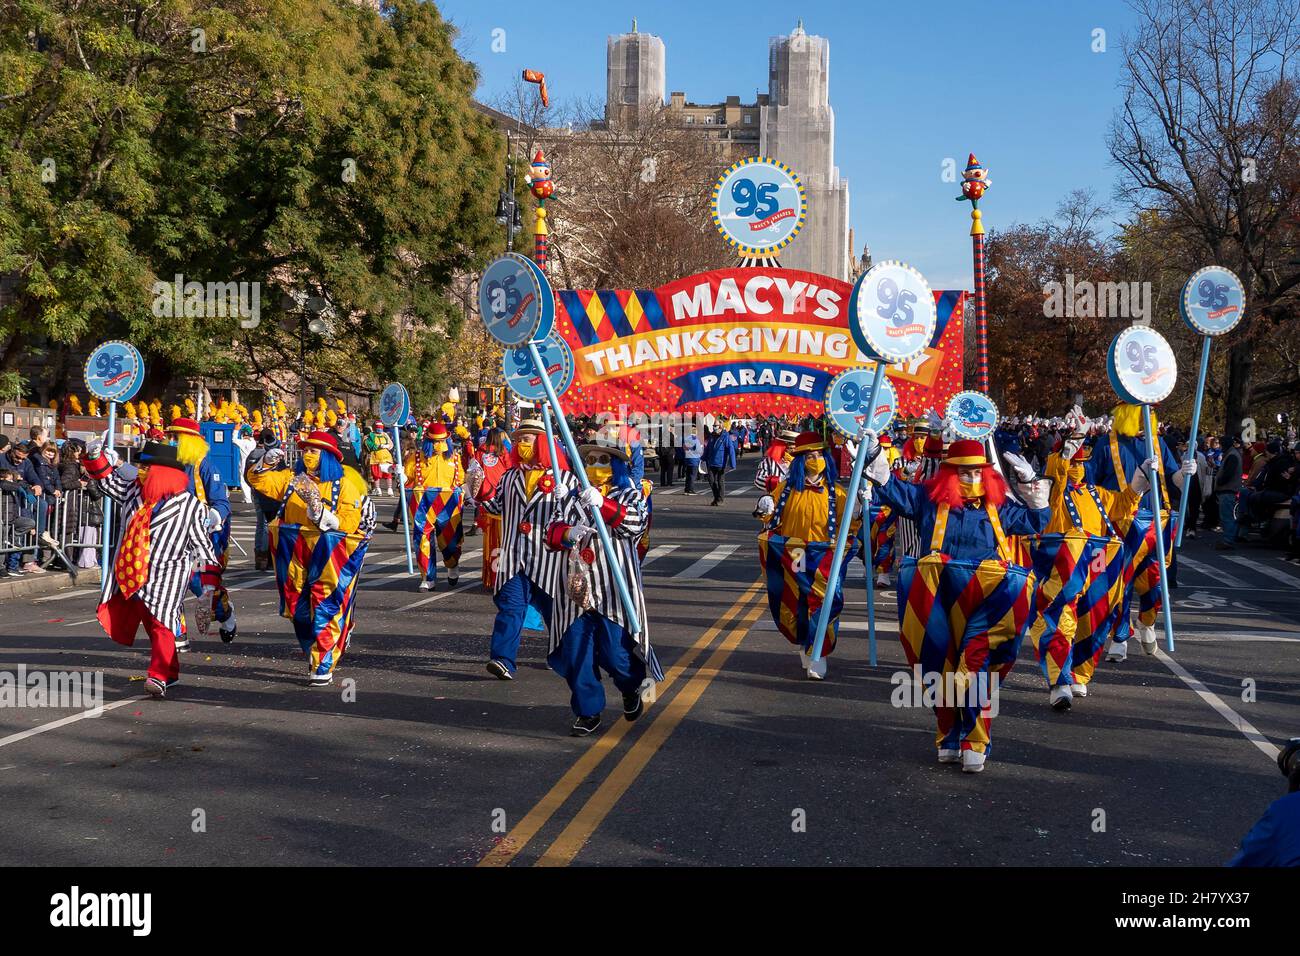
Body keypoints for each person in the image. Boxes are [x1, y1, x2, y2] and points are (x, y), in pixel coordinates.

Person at [866, 434, 1050, 772]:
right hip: (938, 595)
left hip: (988, 601)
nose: (971, 479)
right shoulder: (927, 499)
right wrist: (875, 454)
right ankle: (949, 735)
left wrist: (1030, 484)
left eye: (977, 473)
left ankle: (974, 740)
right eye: (963, 473)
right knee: (938, 667)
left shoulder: (1001, 508)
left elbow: (1038, 522)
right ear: (949, 473)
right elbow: (891, 489)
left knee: (977, 666)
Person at [543, 434, 661, 735]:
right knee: (576, 654)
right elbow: (550, 534)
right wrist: (567, 532)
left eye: (604, 460)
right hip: (575, 589)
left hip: (613, 589)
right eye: (591, 460)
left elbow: (635, 524)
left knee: (615, 654)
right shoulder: (571, 496)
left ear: (619, 465)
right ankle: (588, 710)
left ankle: (631, 686)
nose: (596, 466)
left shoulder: (631, 494)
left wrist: (604, 505)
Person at [83, 440, 219, 698]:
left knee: (162, 623)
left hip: (167, 573)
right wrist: (94, 455)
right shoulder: (133, 492)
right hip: (132, 572)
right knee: (149, 621)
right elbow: (107, 481)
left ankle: (157, 675)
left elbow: (203, 547)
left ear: (163, 472)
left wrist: (209, 584)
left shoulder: (189, 506)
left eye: (145, 467)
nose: (140, 471)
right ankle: (171, 672)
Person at [1026, 409, 1141, 711]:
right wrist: (1070, 444)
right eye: (1074, 462)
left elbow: (1123, 505)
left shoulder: (1096, 493)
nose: (1077, 467)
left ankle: (1079, 674)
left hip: (1097, 564)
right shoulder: (1052, 493)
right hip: (1062, 567)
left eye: (1081, 463)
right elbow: (1057, 473)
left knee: (1094, 621)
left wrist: (1143, 479)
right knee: (1058, 621)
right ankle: (1059, 681)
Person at [246, 430, 376, 685]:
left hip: (329, 555)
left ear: (327, 456)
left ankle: (322, 663)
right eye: (305, 450)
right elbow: (257, 481)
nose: (307, 455)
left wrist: (324, 517)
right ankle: (319, 647)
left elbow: (349, 522)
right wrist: (267, 462)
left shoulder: (345, 485)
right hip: (294, 554)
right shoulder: (292, 480)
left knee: (326, 607)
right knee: (297, 609)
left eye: (313, 451)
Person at [1088, 404, 1191, 660]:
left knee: (1155, 582)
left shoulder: (1156, 443)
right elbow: (1091, 485)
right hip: (1120, 522)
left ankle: (1148, 621)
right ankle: (1120, 636)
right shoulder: (1105, 444)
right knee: (1121, 582)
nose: (1150, 421)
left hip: (1156, 521)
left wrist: (1186, 474)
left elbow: (1173, 477)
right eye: (1144, 415)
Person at [755, 432, 860, 680]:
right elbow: (770, 519)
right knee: (797, 604)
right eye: (810, 455)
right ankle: (805, 642)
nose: (816, 460)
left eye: (819, 455)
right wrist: (764, 508)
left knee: (826, 604)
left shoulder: (838, 492)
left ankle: (818, 652)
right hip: (794, 554)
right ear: (800, 460)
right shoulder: (787, 489)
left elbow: (852, 530)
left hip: (825, 556)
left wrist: (858, 513)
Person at [478, 420, 571, 681]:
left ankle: (561, 653)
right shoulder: (509, 476)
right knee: (510, 608)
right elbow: (495, 508)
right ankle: (502, 659)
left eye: (527, 439)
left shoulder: (563, 479)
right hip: (513, 557)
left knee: (556, 610)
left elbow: (576, 519)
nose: (521, 444)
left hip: (548, 558)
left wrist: (569, 498)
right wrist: (478, 490)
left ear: (542, 442)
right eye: (518, 440)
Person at [166, 417, 235, 646]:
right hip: (173, 535)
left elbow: (221, 503)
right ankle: (178, 632)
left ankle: (226, 614)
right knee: (171, 583)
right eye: (171, 437)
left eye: (176, 438)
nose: (172, 442)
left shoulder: (205, 466)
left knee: (201, 585)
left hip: (200, 537)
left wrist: (210, 518)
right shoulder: (167, 464)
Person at [403, 422, 466, 591]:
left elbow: (460, 479)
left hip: (449, 502)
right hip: (423, 501)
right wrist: (400, 476)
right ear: (428, 441)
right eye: (435, 442)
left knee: (451, 540)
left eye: (443, 441)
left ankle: (452, 565)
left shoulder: (455, 458)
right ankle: (427, 577)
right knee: (422, 539)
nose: (439, 445)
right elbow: (408, 478)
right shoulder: (415, 457)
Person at [703, 425, 736, 505]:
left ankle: (720, 499)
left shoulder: (725, 437)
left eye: (715, 425)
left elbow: (731, 450)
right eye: (713, 425)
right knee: (711, 480)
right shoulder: (711, 436)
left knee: (720, 481)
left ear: (720, 427)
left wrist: (733, 464)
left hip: (721, 463)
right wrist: (702, 459)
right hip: (711, 462)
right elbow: (707, 449)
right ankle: (717, 497)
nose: (714, 427)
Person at [682, 429, 703, 495]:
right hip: (694, 459)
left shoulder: (686, 439)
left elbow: (684, 447)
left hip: (688, 458)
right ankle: (690, 490)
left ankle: (686, 489)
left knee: (688, 475)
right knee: (692, 475)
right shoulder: (696, 440)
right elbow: (699, 450)